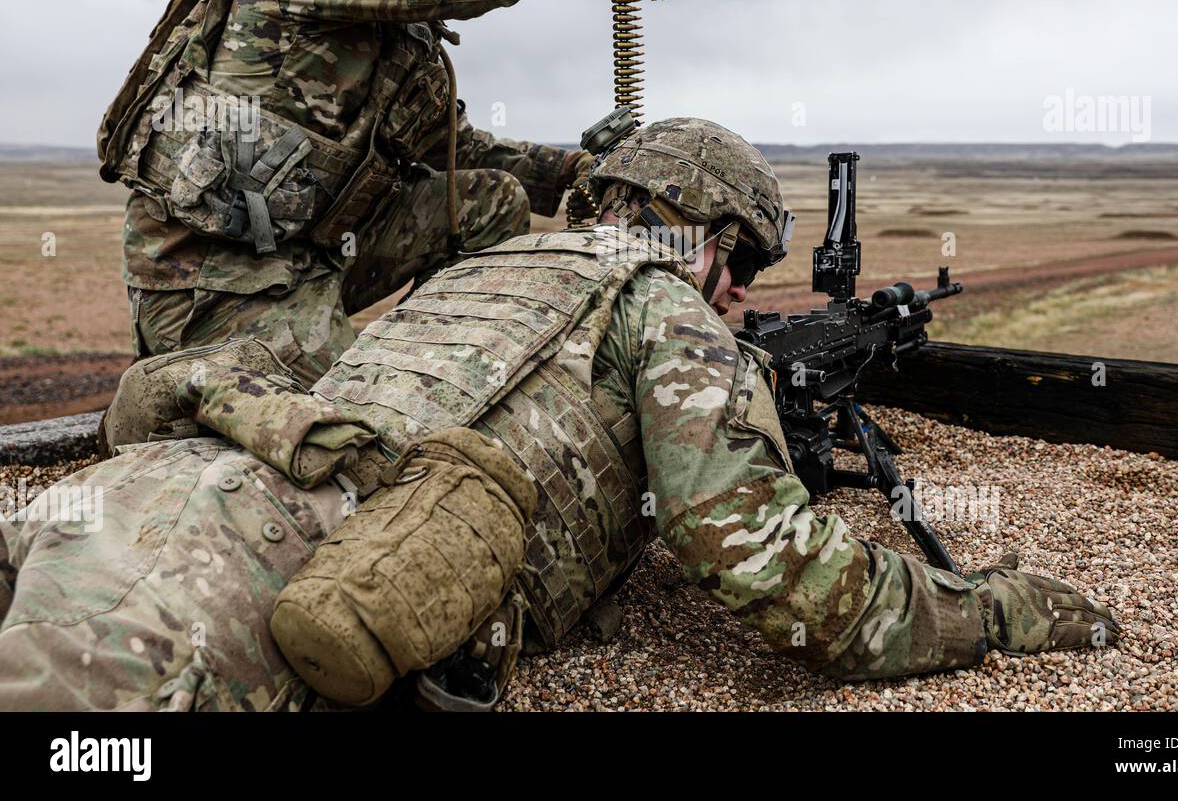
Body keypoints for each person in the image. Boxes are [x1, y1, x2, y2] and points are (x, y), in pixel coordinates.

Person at [1, 117, 1119, 711]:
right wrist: (1002, 612)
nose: (740, 303)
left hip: (125, 499)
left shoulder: (483, 270)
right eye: (741, 271)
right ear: (705, 237)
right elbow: (797, 588)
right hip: (257, 582)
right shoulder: (657, 307)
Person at [95, 0, 636, 382]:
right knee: (349, 428)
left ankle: (439, 365)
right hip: (207, 282)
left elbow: (451, 148)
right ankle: (179, 391)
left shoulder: (398, 36)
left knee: (489, 201)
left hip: (307, 262)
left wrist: (571, 170)